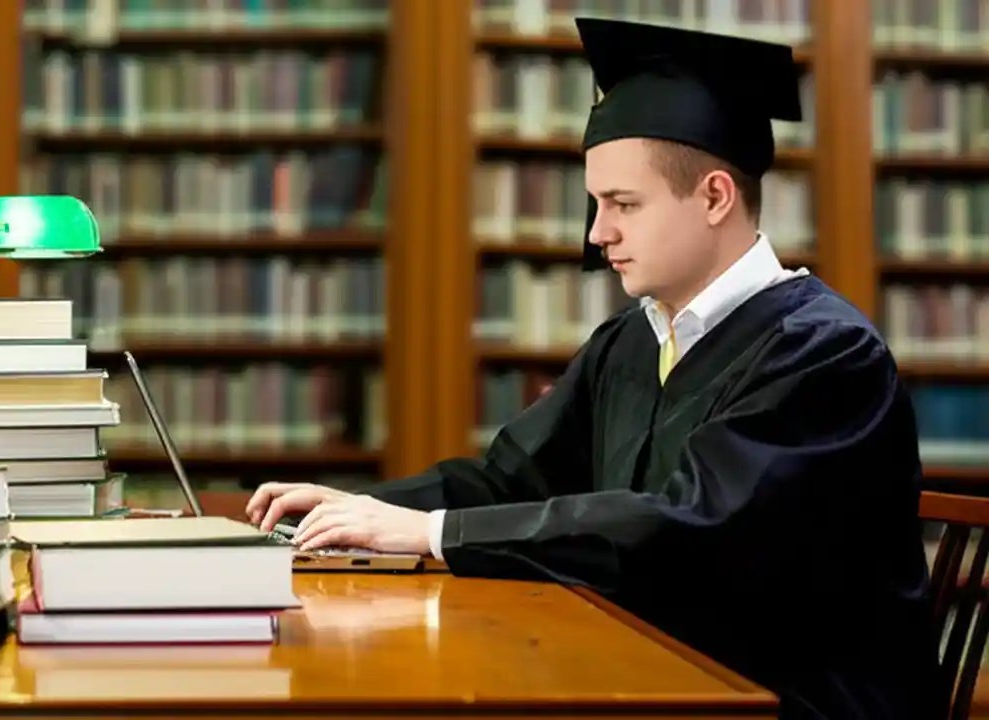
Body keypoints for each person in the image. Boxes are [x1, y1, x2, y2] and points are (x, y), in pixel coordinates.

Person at [245, 17, 937, 720]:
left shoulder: (822, 355)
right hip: (649, 676)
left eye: (622, 204)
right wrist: (355, 513)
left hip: (790, 703)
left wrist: (431, 535)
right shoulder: (631, 343)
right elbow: (507, 480)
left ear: (715, 197)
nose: (597, 232)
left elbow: (688, 528)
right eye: (596, 204)